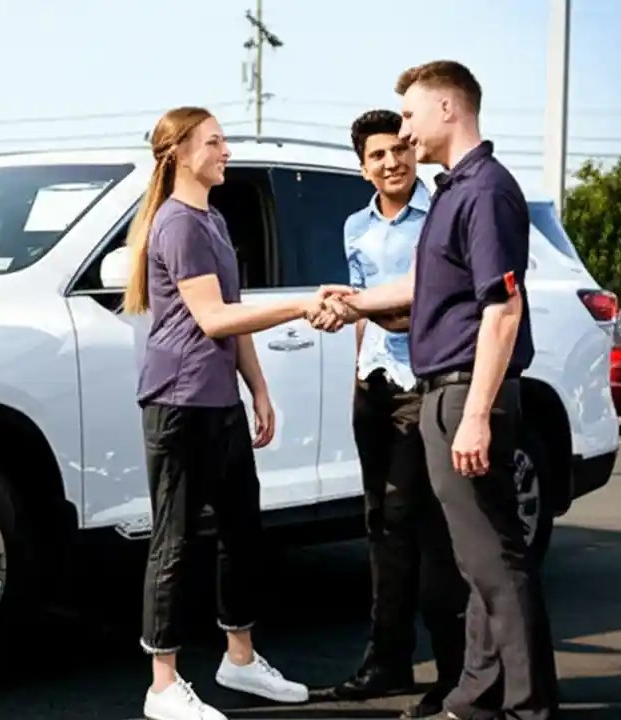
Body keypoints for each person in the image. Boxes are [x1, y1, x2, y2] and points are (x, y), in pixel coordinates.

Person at [321, 61, 558, 720]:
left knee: (496, 561)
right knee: (476, 562)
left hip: (464, 392)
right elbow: (425, 288)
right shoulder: (454, 192)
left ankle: (528, 707)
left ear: (448, 108)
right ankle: (476, 698)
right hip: (444, 392)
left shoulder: (485, 192)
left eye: (410, 115)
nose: (404, 130)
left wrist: (478, 413)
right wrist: (354, 301)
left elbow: (502, 308)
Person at [124, 105, 328, 720]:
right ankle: (162, 686)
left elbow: (231, 320)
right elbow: (212, 319)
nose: (226, 151)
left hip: (220, 402)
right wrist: (298, 308)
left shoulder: (211, 219)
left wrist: (258, 391)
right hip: (179, 403)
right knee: (175, 542)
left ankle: (239, 659)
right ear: (182, 153)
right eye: (215, 142)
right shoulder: (178, 225)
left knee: (242, 532)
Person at [324, 109, 468, 719]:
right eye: (378, 155)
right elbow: (367, 318)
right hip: (375, 386)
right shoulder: (356, 226)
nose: (392, 162)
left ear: (413, 153)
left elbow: (417, 309)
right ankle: (387, 660)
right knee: (380, 524)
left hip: (425, 386)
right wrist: (359, 376)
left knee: (424, 527)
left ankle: (456, 673)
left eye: (400, 150)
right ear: (364, 167)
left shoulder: (437, 218)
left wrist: (359, 309)